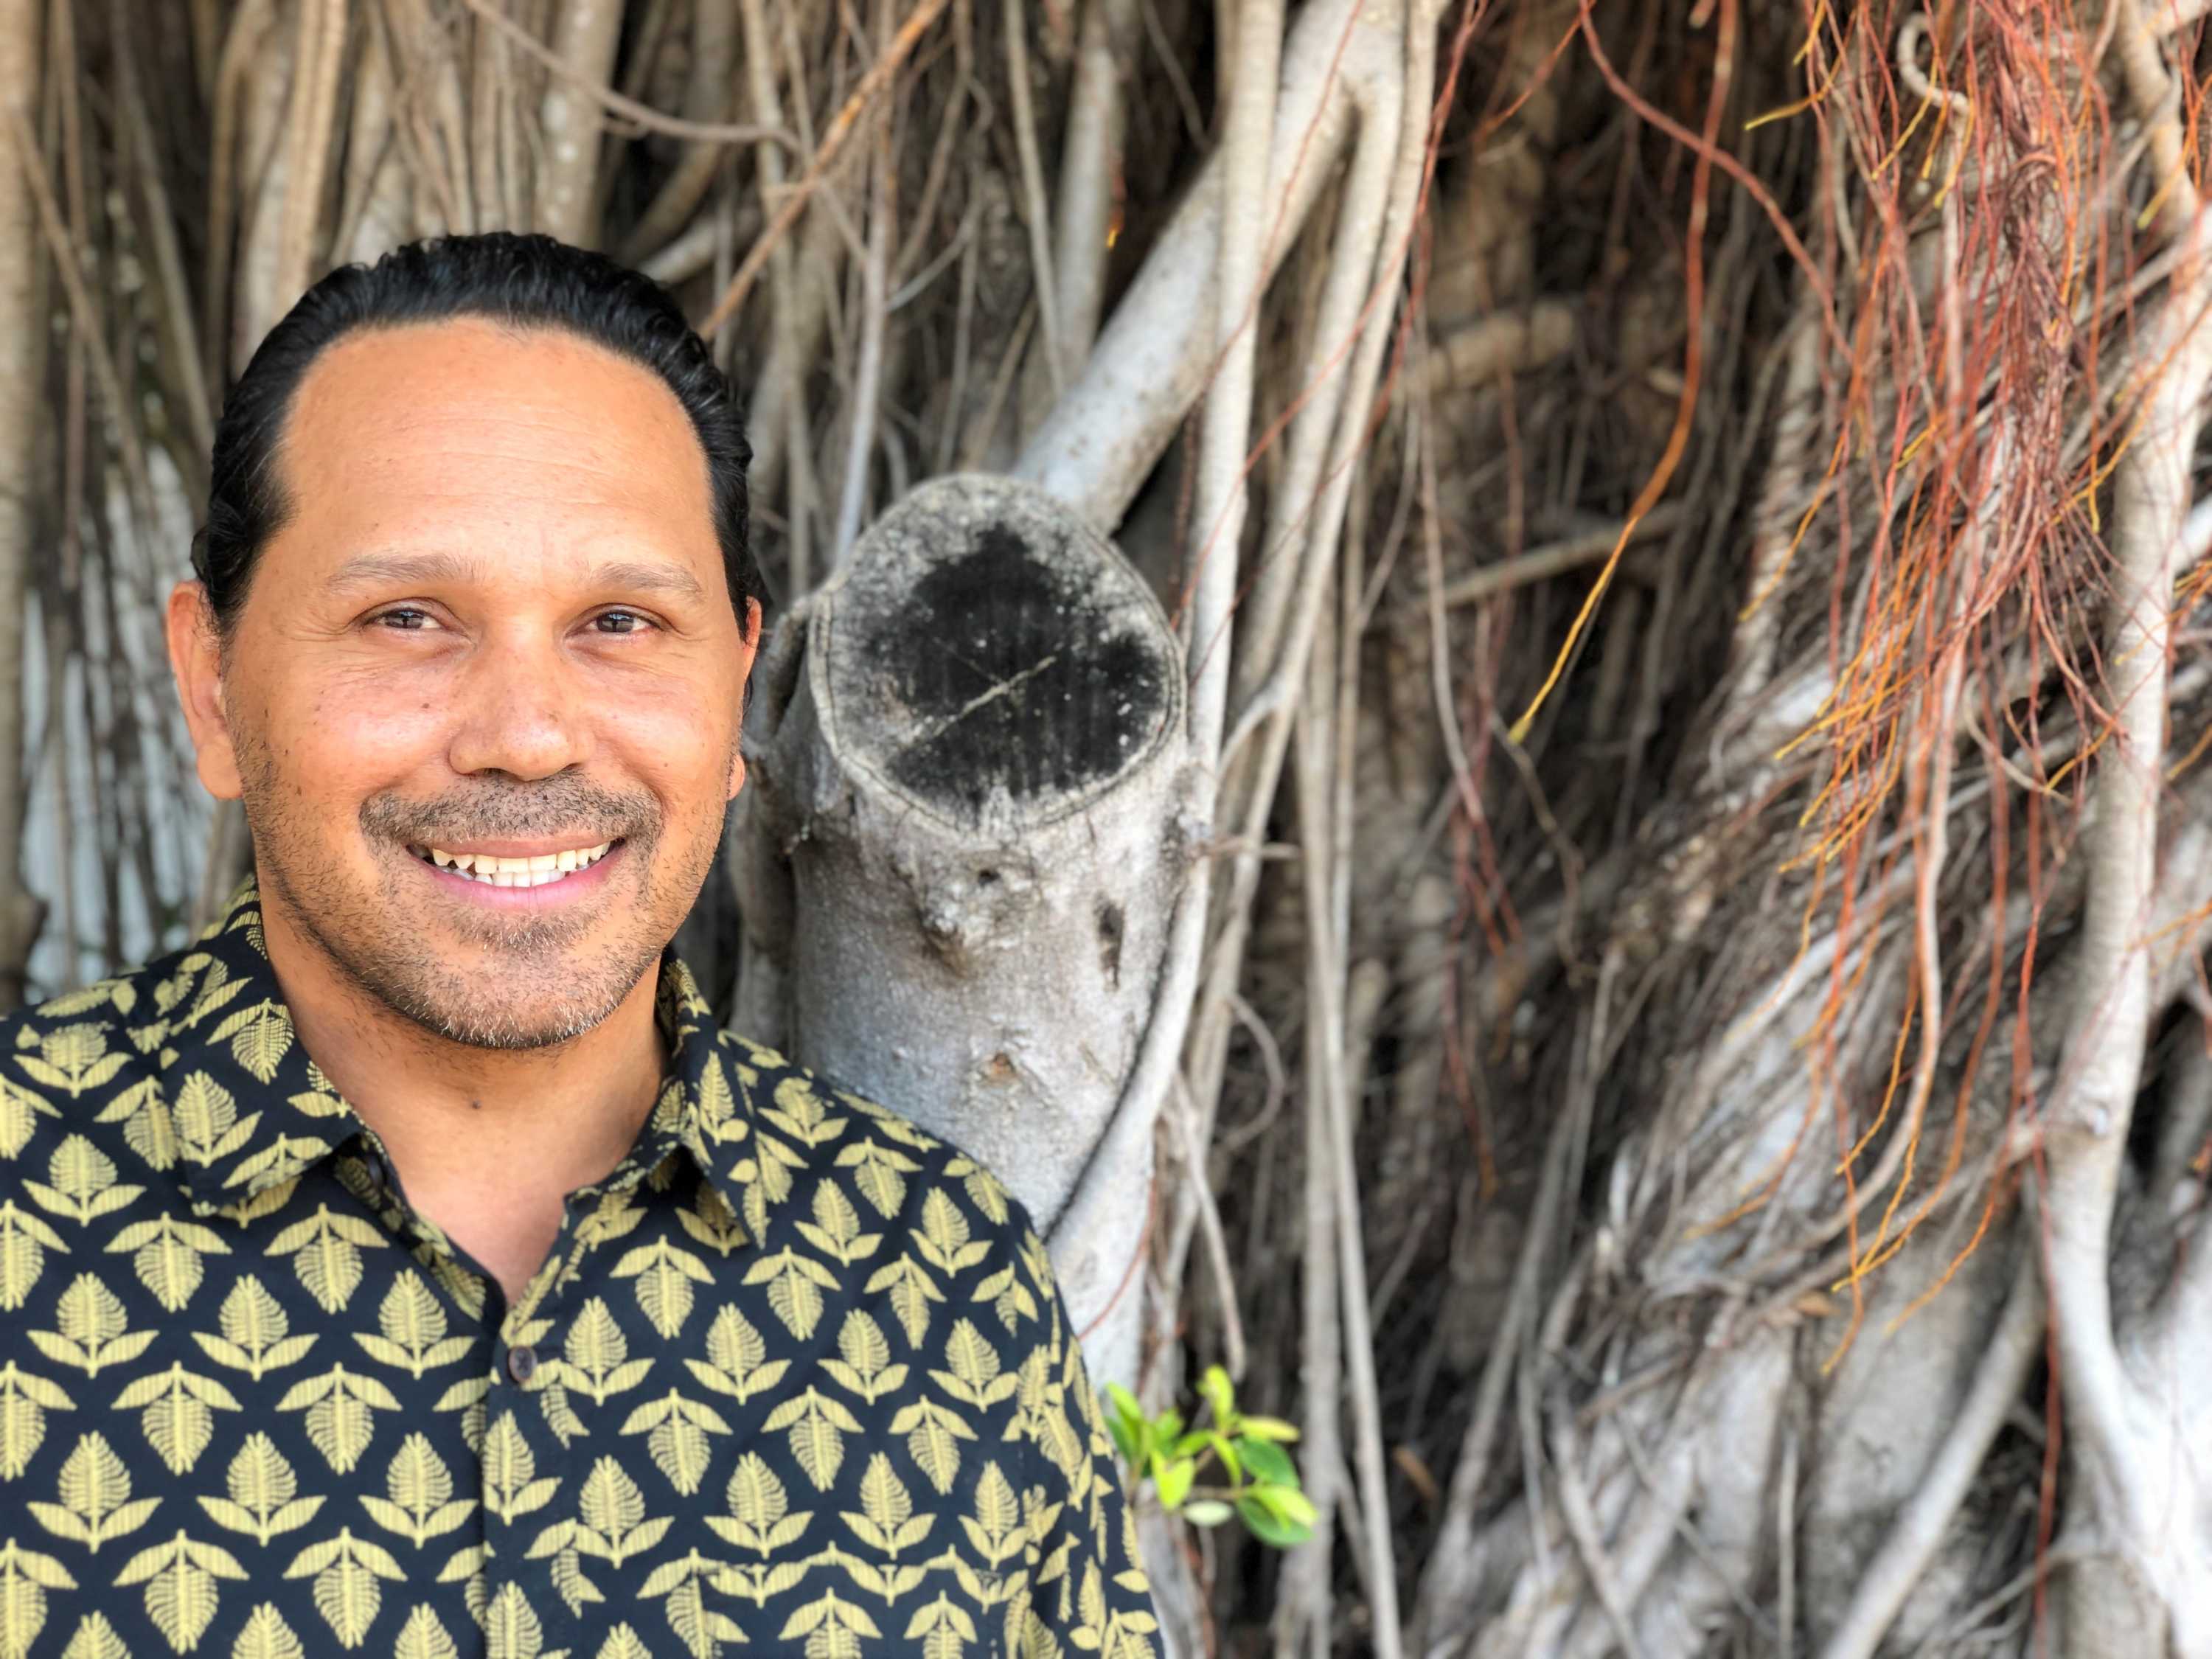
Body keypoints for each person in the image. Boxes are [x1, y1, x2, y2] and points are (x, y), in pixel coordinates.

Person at [0, 233, 1158, 1658]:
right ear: (214, 681)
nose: (529, 732)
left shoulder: (942, 1287)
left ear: (738, 682)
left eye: (620, 621)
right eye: (408, 617)